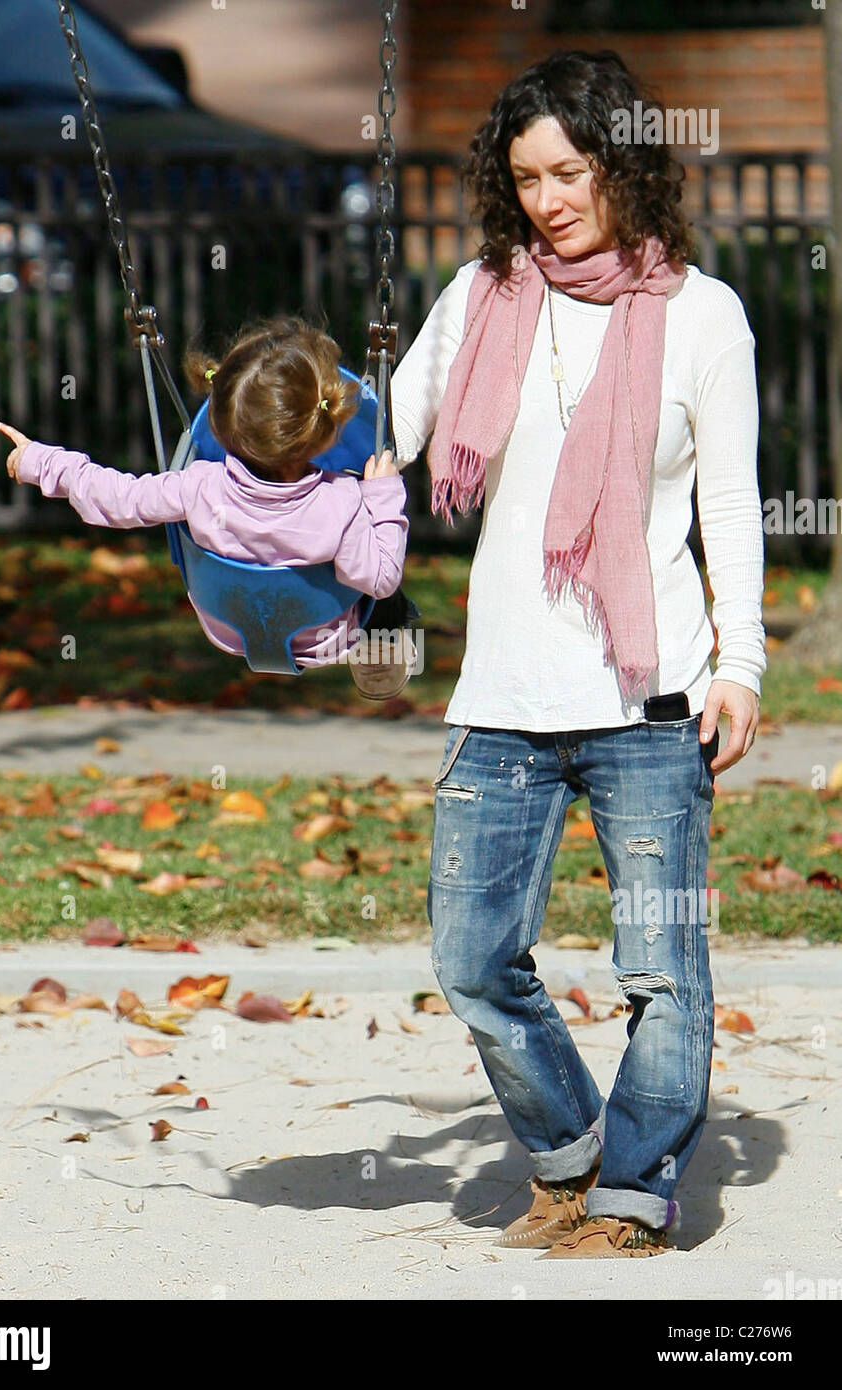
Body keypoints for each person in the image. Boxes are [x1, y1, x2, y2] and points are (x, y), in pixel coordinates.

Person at [389, 50, 765, 1257]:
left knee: (661, 969)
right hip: (501, 692)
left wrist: (741, 662)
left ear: (625, 164)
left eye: (570, 171)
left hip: (649, 700)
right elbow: (376, 438)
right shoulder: (483, 295)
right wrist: (233, 481)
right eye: (527, 178)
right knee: (471, 956)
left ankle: (634, 1195)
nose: (549, 199)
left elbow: (732, 505)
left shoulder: (703, 316)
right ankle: (569, 1156)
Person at [0, 316, 419, 699]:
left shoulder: (199, 485)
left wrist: (41, 461)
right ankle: (382, 644)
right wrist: (381, 493)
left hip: (228, 625)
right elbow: (379, 579)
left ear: (220, 423)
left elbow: (115, 497)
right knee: (386, 577)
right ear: (328, 433)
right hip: (327, 638)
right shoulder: (343, 501)